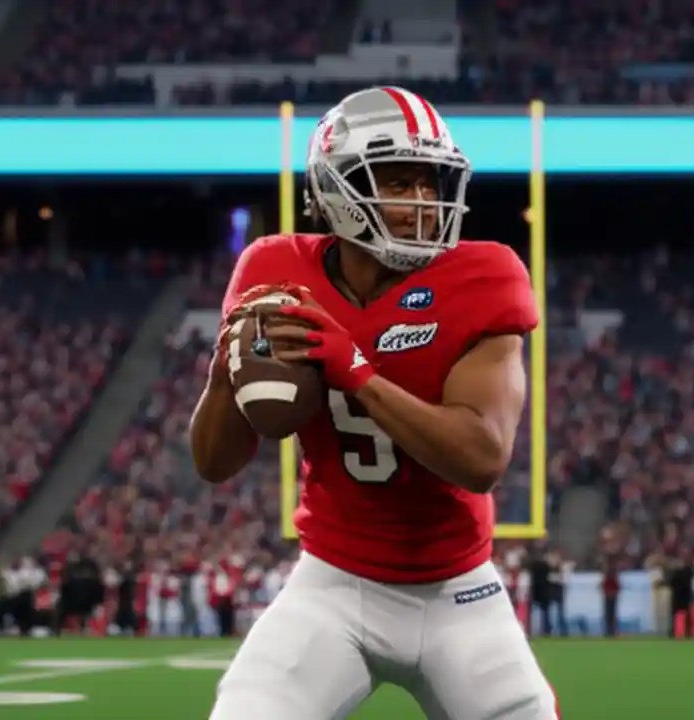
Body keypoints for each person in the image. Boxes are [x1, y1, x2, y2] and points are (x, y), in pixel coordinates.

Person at [192, 85, 557, 720]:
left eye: (429, 183)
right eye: (397, 181)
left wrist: (354, 370)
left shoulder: (486, 275)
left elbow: (482, 457)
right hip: (334, 584)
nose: (420, 202)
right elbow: (214, 463)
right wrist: (228, 373)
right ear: (336, 188)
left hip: (458, 592)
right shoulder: (273, 270)